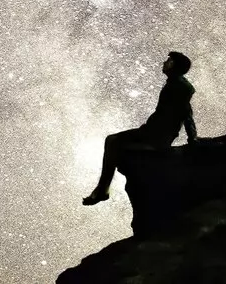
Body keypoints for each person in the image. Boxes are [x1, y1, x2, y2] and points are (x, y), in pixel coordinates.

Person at [82, 51, 197, 206]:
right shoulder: (174, 83)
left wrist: (192, 138)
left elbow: (186, 112)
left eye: (168, 61)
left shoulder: (181, 87)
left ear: (175, 65)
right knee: (112, 140)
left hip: (157, 136)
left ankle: (103, 189)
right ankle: (102, 189)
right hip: (150, 131)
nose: (164, 63)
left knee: (114, 142)